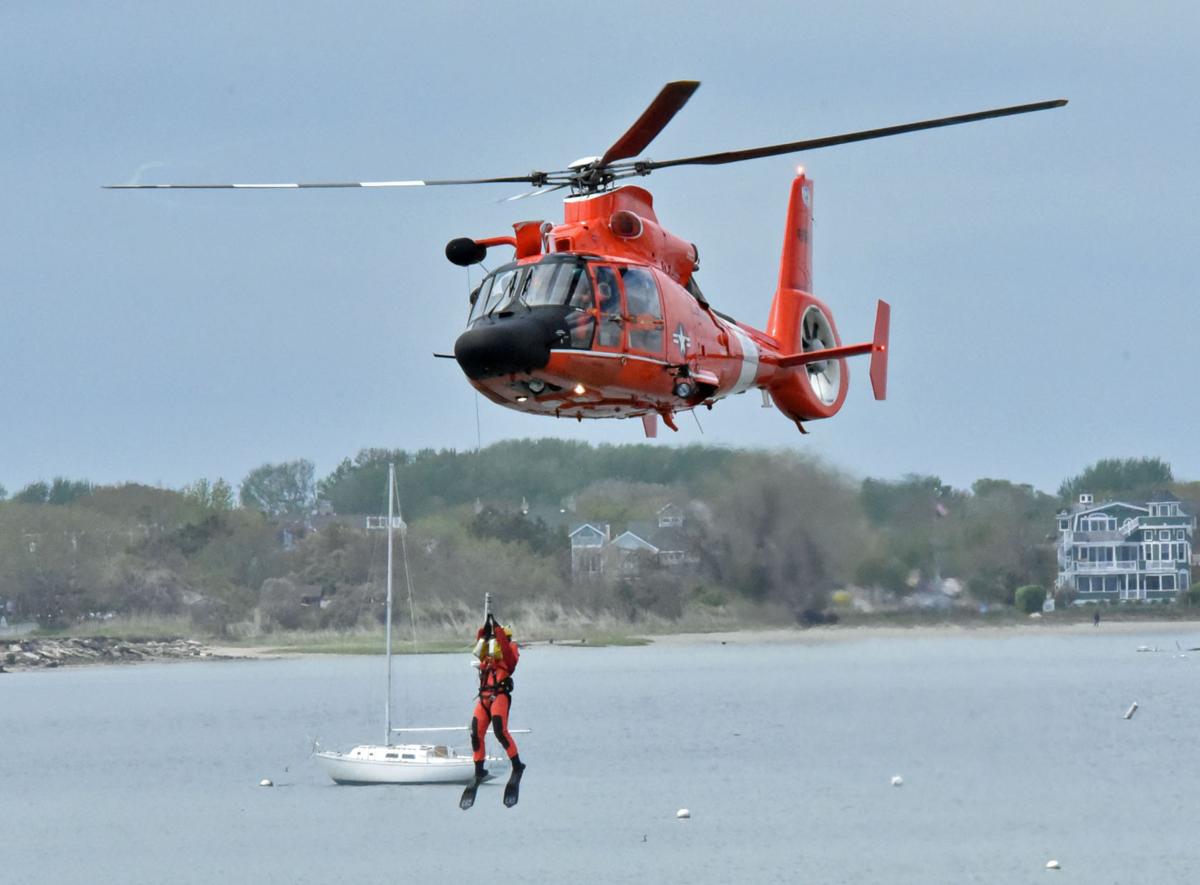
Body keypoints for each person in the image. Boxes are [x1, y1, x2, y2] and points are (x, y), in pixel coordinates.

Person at [469, 613, 525, 781]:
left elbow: (507, 654)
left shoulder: (510, 654)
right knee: (475, 733)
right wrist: (485, 629)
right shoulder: (487, 655)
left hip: (499, 696)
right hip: (484, 698)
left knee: (500, 731)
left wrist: (498, 629)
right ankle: (479, 769)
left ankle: (517, 764)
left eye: (498, 638)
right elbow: (479, 646)